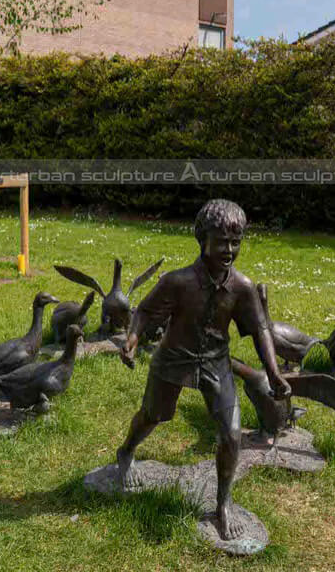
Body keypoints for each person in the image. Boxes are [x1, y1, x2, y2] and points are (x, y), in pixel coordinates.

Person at [116, 199, 291, 540]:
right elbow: (145, 311)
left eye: (236, 242)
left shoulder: (242, 287)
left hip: (216, 363)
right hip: (172, 359)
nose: (229, 249)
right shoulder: (177, 282)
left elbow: (261, 330)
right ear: (201, 238)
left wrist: (273, 372)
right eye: (221, 240)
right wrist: (132, 339)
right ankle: (126, 451)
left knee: (231, 433)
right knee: (153, 415)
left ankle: (222, 504)